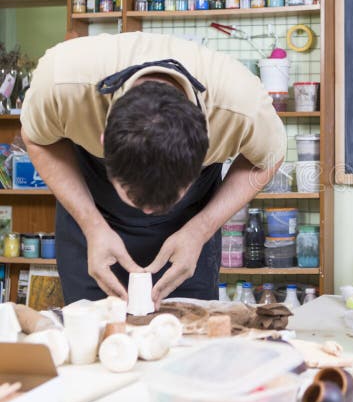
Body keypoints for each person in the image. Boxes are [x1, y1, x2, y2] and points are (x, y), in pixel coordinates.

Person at [21, 32, 286, 306]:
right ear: (104, 142)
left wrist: (201, 229)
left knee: (189, 332)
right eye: (135, 196)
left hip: (190, 218)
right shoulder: (61, 81)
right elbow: (37, 139)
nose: (147, 212)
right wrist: (91, 225)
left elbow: (268, 158)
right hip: (92, 200)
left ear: (204, 150)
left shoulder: (243, 106)